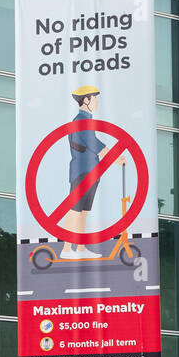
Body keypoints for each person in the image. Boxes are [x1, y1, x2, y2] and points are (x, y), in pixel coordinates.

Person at [60, 85, 128, 260]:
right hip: (81, 172)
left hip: (91, 172)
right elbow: (95, 144)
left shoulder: (86, 121)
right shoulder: (80, 122)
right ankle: (67, 249)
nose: (97, 102)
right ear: (87, 100)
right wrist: (116, 158)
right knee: (75, 210)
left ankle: (80, 247)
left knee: (83, 212)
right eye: (95, 98)